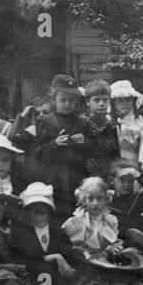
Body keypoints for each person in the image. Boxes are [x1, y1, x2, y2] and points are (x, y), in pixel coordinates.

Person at [29, 75, 88, 216]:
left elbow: (90, 152)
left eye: (71, 101)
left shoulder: (82, 123)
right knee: (55, 211)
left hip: (76, 176)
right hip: (53, 176)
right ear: (54, 100)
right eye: (63, 100)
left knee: (76, 211)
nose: (67, 104)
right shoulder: (45, 122)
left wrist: (84, 142)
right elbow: (37, 152)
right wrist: (54, 144)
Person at [10, 182, 82, 285]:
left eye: (42, 206)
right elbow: (21, 259)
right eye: (32, 207)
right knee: (44, 269)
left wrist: (70, 266)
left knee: (78, 255)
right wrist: (50, 257)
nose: (38, 210)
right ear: (27, 211)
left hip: (58, 276)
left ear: (49, 209)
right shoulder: (21, 233)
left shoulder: (57, 232)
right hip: (36, 281)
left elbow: (68, 253)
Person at [106, 158, 143, 240]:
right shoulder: (107, 202)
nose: (126, 185)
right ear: (111, 181)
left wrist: (137, 174)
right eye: (122, 180)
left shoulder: (139, 198)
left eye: (130, 181)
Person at [78, 79, 120, 180]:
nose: (101, 104)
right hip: (87, 175)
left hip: (108, 175)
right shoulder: (82, 124)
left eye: (105, 100)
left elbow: (116, 154)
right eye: (96, 100)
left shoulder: (111, 125)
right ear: (88, 102)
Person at [110, 80, 143, 167]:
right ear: (114, 104)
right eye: (120, 100)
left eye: (128, 100)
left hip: (134, 163)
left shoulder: (140, 123)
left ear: (133, 102)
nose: (125, 103)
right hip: (113, 164)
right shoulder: (109, 122)